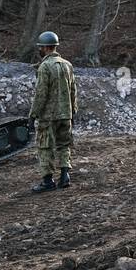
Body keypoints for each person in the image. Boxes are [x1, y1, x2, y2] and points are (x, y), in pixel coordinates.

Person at [29, 31, 77, 192]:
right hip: (66, 114)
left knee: (45, 146)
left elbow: (41, 94)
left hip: (49, 116)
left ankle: (48, 181)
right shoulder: (67, 65)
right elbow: (73, 90)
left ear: (45, 47)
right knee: (64, 145)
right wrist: (73, 111)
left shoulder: (45, 66)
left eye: (41, 47)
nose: (40, 50)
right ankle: (65, 176)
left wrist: (33, 115)